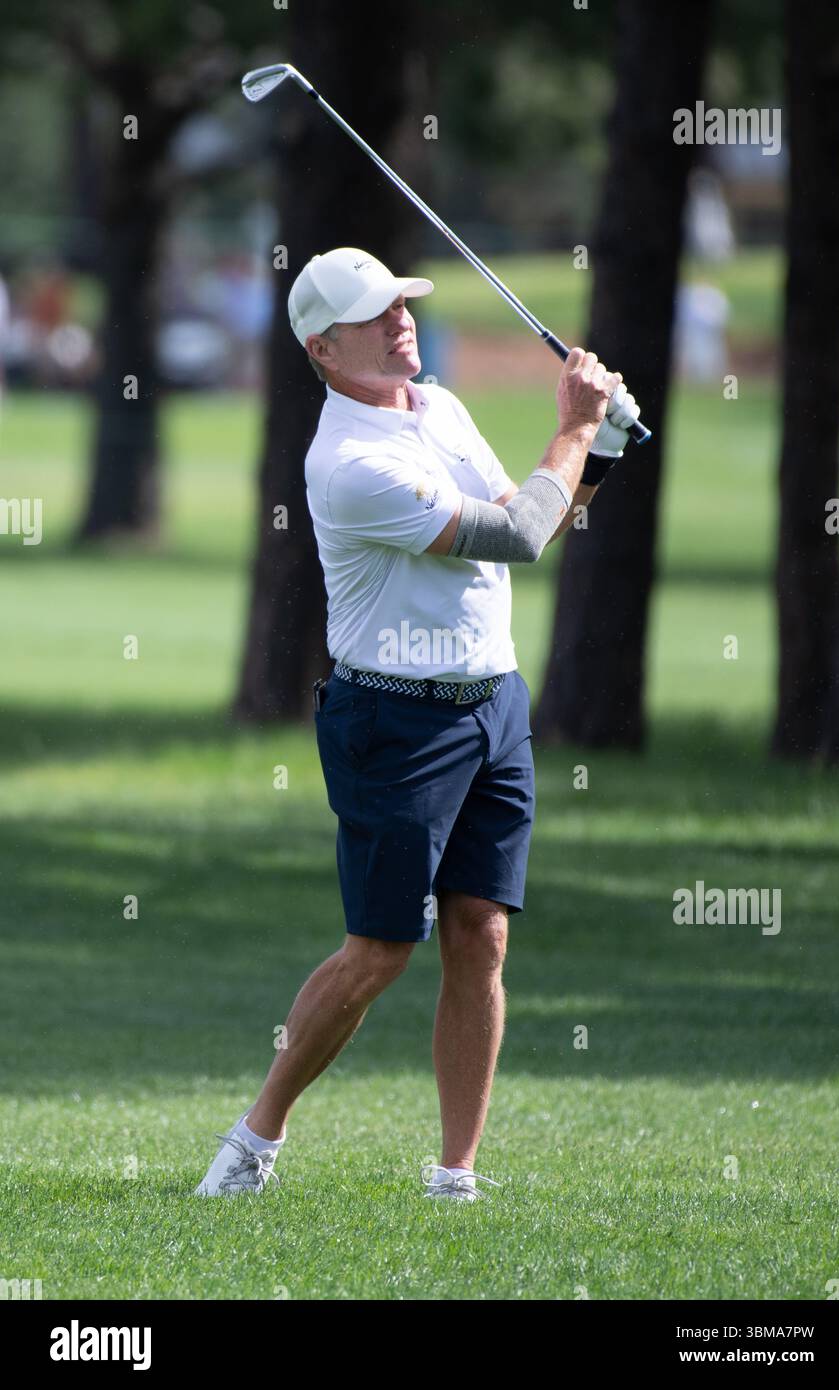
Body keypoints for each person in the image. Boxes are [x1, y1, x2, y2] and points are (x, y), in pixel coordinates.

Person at [195, 248, 640, 1202]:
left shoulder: (437, 408)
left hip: (494, 704)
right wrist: (575, 425)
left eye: (403, 301)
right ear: (323, 347)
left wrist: (594, 453)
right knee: (381, 951)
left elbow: (537, 513)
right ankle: (254, 1139)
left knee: (482, 934)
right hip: (393, 722)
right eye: (375, 313)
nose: (401, 319)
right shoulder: (348, 461)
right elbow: (515, 535)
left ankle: (455, 1176)